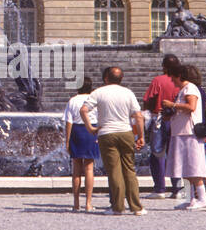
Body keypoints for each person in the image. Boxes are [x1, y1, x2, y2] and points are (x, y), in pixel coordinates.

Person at [80, 66, 146, 216]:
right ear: (121, 79)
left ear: (106, 78)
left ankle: (117, 207)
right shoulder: (128, 93)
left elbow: (83, 110)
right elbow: (138, 116)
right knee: (129, 170)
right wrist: (141, 136)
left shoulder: (99, 92)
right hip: (126, 132)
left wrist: (90, 127)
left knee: (114, 171)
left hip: (106, 133)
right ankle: (136, 207)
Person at [163, 64, 206, 211]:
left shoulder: (190, 88)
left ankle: (202, 199)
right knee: (185, 167)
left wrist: (173, 105)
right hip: (181, 132)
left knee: (194, 167)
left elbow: (191, 107)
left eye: (172, 77)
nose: (171, 80)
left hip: (189, 132)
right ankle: (191, 199)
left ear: (179, 76)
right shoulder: (184, 89)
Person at [142, 55, 183, 199]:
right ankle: (177, 188)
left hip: (159, 118)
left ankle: (160, 189)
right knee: (176, 154)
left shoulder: (158, 80)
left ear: (164, 66)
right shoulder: (182, 82)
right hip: (177, 119)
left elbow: (148, 99)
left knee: (157, 153)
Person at [63, 76, 99, 213]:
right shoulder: (93, 100)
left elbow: (68, 122)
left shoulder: (72, 100)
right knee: (89, 168)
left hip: (76, 131)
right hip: (91, 130)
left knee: (76, 169)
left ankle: (76, 203)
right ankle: (88, 203)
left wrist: (67, 140)